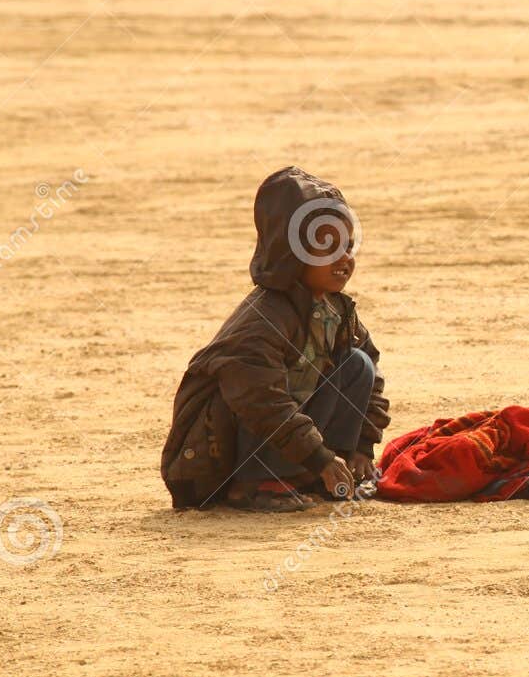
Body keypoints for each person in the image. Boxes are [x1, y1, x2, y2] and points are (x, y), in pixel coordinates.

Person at [160, 167, 390, 512]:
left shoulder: (336, 311)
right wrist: (318, 456)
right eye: (326, 247)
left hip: (295, 447)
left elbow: (370, 376)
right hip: (213, 463)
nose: (344, 260)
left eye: (347, 246)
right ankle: (258, 484)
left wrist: (361, 449)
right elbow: (263, 403)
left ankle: (321, 476)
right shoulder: (263, 320)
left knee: (356, 364)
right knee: (261, 392)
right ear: (291, 253)